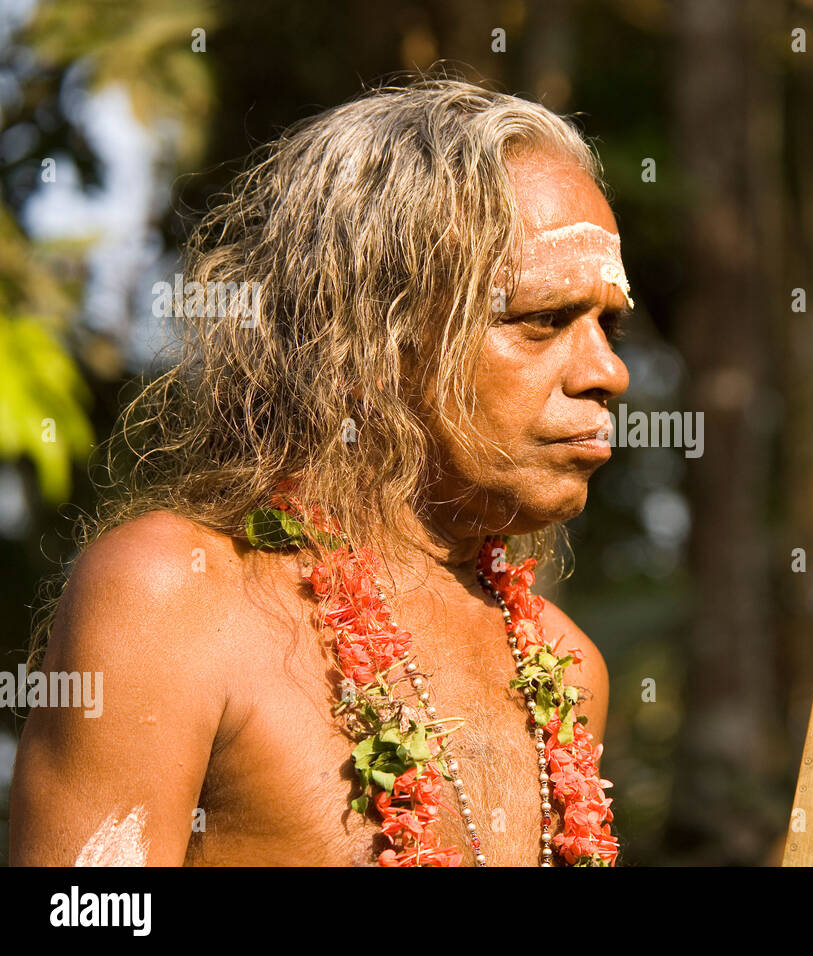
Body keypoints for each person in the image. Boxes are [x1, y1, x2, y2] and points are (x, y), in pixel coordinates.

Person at [9, 75, 631, 866]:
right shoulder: (171, 596)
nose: (608, 371)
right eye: (543, 320)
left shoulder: (568, 671)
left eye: (607, 325)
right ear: (373, 338)